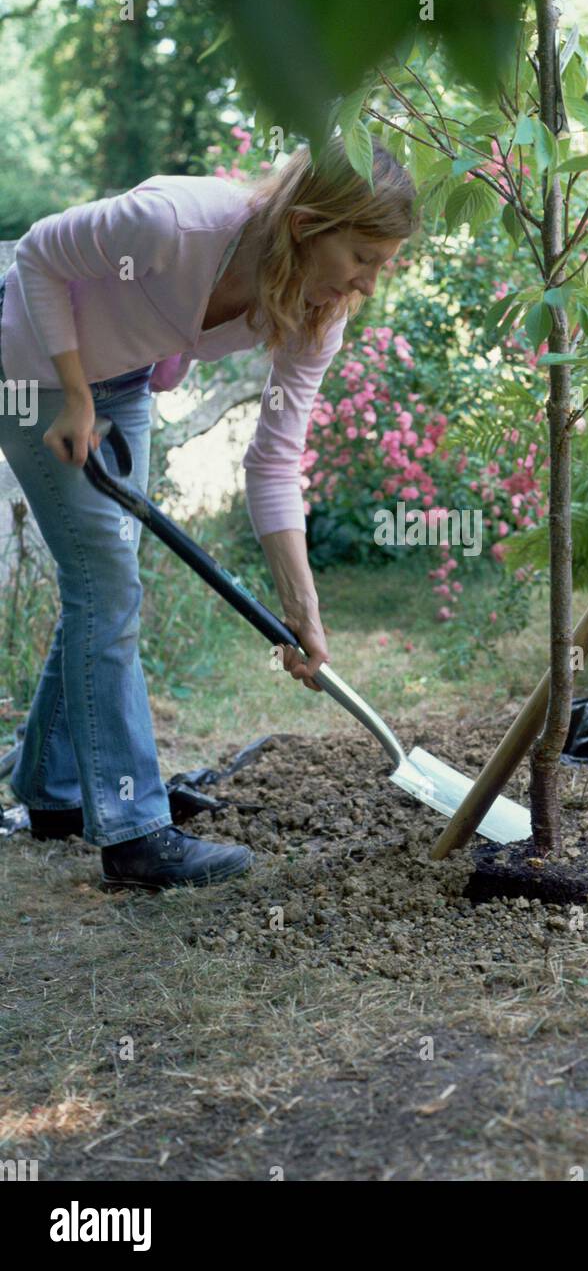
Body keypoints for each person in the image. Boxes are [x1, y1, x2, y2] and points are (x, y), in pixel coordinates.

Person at [0, 135, 417, 890]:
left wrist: (303, 608)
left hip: (121, 380)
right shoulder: (176, 223)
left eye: (382, 265)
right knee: (107, 583)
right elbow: (36, 256)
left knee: (104, 582)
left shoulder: (319, 313)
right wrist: (75, 392)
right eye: (362, 257)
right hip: (30, 364)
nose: (367, 283)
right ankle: (133, 836)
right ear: (306, 224)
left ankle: (55, 790)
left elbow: (274, 461)